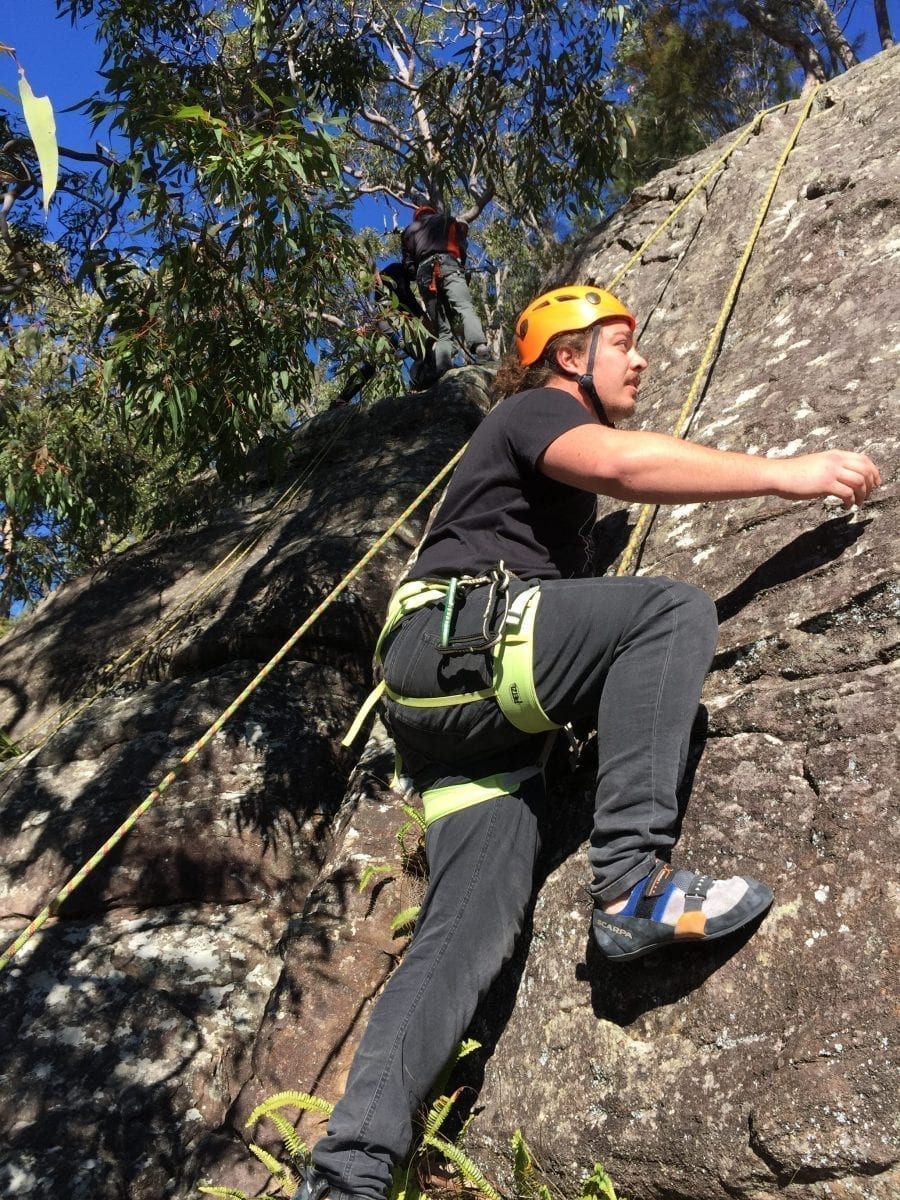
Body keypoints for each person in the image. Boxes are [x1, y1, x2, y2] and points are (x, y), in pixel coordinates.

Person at [294, 285, 880, 1200]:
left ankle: (348, 1174)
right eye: (621, 343)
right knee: (667, 610)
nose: (640, 359)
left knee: (459, 942)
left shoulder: (539, 497)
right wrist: (788, 471)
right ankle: (631, 885)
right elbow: (625, 468)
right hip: (460, 645)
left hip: (460, 724)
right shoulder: (537, 408)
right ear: (570, 358)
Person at [329, 263, 439, 410]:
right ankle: (421, 384)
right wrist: (422, 316)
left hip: (384, 323)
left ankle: (342, 398)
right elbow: (404, 296)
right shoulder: (398, 270)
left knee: (372, 364)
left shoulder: (392, 273)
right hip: (388, 324)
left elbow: (395, 300)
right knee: (418, 353)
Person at [401, 204, 492, 378]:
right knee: (464, 307)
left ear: (416, 217)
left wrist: (419, 274)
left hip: (424, 275)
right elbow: (460, 244)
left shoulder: (407, 233)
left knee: (441, 329)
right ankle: (481, 350)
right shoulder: (446, 220)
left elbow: (408, 264)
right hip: (449, 264)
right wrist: (460, 266)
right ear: (431, 212)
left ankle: (443, 368)